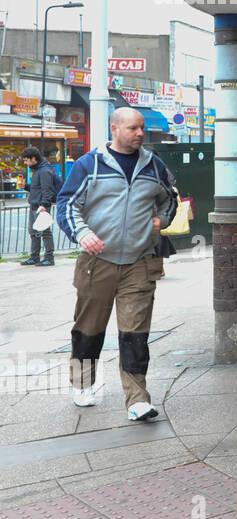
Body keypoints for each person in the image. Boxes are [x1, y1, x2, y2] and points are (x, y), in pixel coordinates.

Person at [54, 108, 176, 422]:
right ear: (115, 128)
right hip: (97, 262)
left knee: (135, 333)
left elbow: (170, 197)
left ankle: (137, 400)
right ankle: (82, 384)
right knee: (88, 330)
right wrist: (82, 233)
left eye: (142, 129)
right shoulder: (89, 165)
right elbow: (67, 204)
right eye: (133, 128)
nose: (140, 134)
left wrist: (163, 219)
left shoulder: (153, 165)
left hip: (140, 261)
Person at [20, 146, 59, 266]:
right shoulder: (38, 170)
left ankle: (49, 258)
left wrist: (44, 205)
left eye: (26, 160)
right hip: (34, 204)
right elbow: (36, 188)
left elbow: (47, 190)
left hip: (41, 206)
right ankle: (35, 257)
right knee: (33, 232)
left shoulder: (45, 171)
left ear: (33, 158)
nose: (25, 163)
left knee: (45, 231)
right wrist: (25, 186)